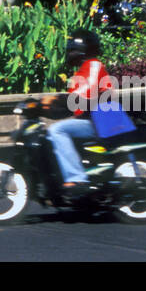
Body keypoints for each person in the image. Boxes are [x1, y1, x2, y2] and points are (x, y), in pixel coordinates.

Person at [46, 28, 112, 196]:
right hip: (90, 119)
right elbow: (75, 102)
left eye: (72, 48)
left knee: (57, 130)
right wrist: (46, 106)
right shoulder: (82, 70)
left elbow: (84, 93)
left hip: (99, 121)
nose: (69, 52)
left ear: (82, 50)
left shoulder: (94, 65)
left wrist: (56, 100)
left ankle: (77, 178)